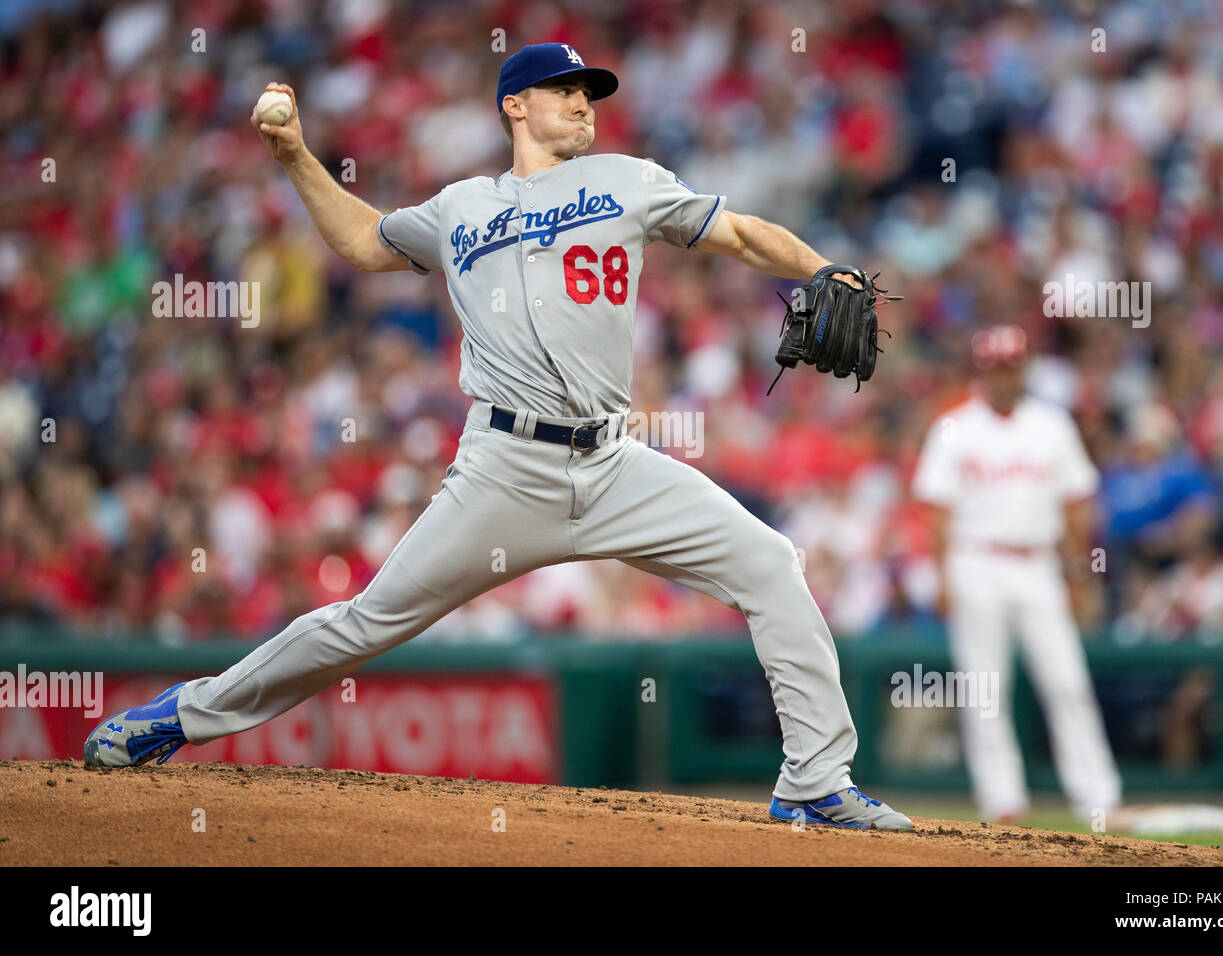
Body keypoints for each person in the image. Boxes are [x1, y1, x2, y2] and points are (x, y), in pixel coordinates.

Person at [83, 43, 912, 831]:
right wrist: (298, 156)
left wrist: (817, 269)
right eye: (567, 91)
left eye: (590, 94)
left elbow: (738, 232)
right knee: (368, 621)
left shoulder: (628, 180)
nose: (583, 104)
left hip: (614, 462)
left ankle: (814, 784)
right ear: (515, 104)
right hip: (505, 472)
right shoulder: (459, 207)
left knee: (770, 563)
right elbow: (366, 243)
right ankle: (181, 714)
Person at [911, 324, 1121, 823]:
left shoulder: (1051, 424)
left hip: (1039, 563)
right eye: (995, 367)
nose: (1004, 375)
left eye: (1012, 366)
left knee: (1067, 681)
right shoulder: (954, 426)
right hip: (976, 561)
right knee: (985, 687)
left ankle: (1099, 798)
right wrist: (942, 576)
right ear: (982, 371)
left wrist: (1078, 574)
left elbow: (1077, 505)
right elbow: (937, 510)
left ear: (1024, 368)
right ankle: (1001, 799)